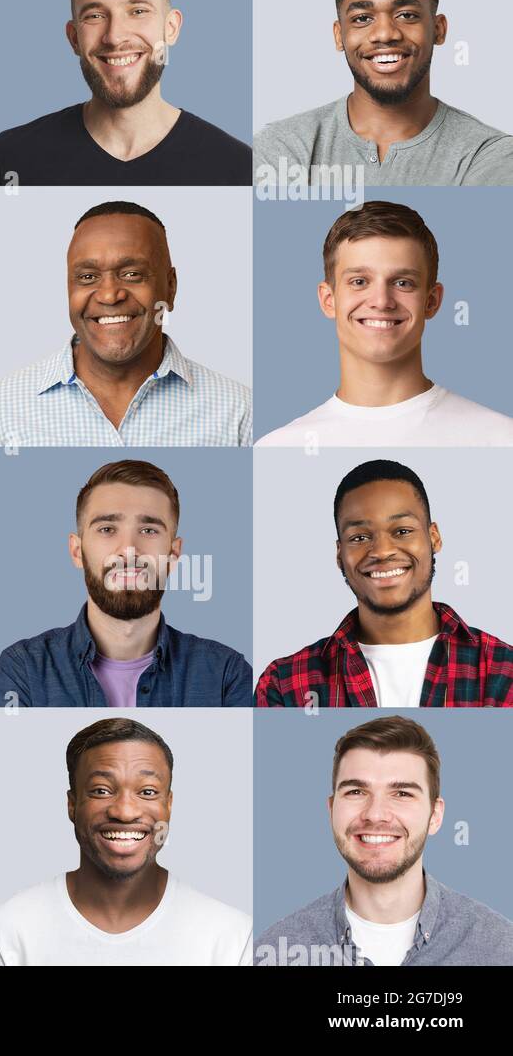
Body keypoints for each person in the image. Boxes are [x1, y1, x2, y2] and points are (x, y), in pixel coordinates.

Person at [0, 0, 249, 185]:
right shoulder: (10, 158)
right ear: (73, 38)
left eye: (138, 11)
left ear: (171, 28)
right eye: (95, 16)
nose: (115, 37)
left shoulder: (237, 167)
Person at [255, 716, 513, 965]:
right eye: (356, 792)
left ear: (435, 815)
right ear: (331, 809)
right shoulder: (276, 950)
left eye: (401, 793)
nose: (375, 814)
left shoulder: (500, 946)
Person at [256, 460, 513, 708]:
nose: (381, 551)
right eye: (359, 537)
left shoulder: (503, 670)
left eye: (402, 531)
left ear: (434, 537)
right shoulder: (286, 683)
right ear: (339, 554)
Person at [253, 0, 513, 186]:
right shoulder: (283, 146)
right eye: (362, 18)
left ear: (438, 29)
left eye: (406, 15)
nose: (385, 34)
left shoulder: (488, 154)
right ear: (338, 35)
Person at [0, 461, 251, 707]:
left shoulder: (225, 675)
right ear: (76, 551)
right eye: (107, 529)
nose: (128, 551)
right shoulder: (22, 670)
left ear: (173, 554)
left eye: (148, 531)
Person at [0, 718, 252, 964]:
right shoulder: (9, 930)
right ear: (72, 805)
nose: (125, 812)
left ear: (169, 804)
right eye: (101, 791)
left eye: (147, 792)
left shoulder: (233, 938)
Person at [0, 201, 251, 446]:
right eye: (87, 276)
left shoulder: (237, 411)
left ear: (170, 287)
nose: (109, 295)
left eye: (132, 274)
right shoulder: (4, 406)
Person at [257, 200, 513, 446]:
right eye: (359, 281)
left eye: (403, 283)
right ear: (328, 300)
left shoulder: (502, 439)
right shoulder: (277, 448)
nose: (381, 301)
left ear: (432, 301)